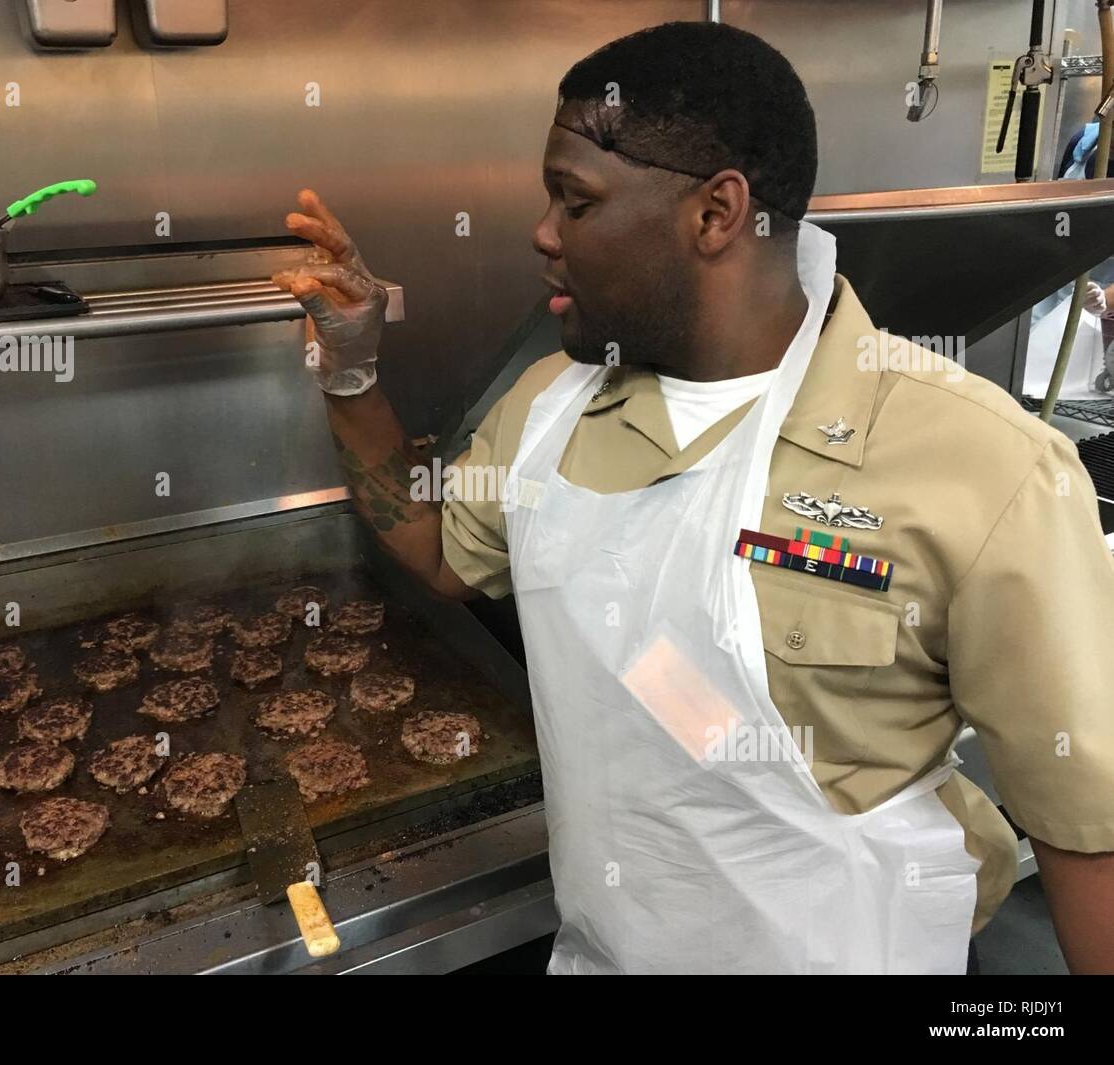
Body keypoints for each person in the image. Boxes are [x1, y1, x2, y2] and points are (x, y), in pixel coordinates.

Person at [272, 21, 1114, 974]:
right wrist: (351, 372)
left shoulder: (986, 468)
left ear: (717, 214)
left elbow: (1087, 841)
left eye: (575, 200)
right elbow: (435, 550)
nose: (542, 233)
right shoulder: (548, 407)